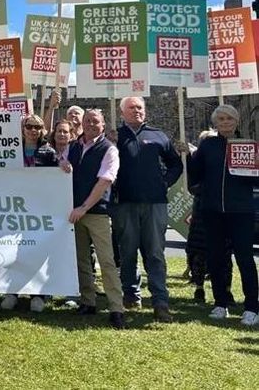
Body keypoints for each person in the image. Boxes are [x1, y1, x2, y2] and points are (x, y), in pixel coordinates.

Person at [185, 104, 259, 326]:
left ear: (236, 122)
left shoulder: (247, 145)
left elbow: (255, 180)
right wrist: (187, 157)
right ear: (215, 123)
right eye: (221, 119)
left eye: (229, 119)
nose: (225, 122)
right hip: (213, 210)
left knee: (244, 259)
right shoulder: (207, 145)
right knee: (216, 257)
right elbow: (196, 174)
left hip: (241, 211)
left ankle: (252, 307)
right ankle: (220, 303)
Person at [112, 96, 183, 323]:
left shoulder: (158, 135)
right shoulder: (115, 137)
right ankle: (131, 295)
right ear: (122, 112)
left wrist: (164, 182)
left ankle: (160, 302)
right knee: (128, 251)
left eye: (140, 107)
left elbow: (176, 164)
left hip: (155, 203)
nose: (137, 111)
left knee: (155, 253)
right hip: (125, 203)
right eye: (132, 108)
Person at [63, 108, 125, 329]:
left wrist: (84, 207)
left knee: (107, 261)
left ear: (103, 124)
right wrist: (61, 165)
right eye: (87, 120)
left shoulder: (109, 149)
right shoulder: (71, 147)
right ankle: (88, 302)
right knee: (81, 260)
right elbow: (61, 171)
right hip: (74, 214)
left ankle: (116, 308)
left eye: (95, 121)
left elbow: (104, 182)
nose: (90, 124)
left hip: (96, 212)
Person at [1, 114, 58, 313]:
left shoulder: (49, 152)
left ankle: (38, 295)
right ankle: (12, 292)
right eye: (29, 126)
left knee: (37, 251)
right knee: (13, 252)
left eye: (37, 127)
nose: (33, 130)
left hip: (39, 210)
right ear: (23, 129)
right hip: (14, 208)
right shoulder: (10, 150)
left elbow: (56, 180)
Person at [184, 129, 234, 305]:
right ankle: (199, 288)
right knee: (199, 252)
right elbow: (192, 185)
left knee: (225, 253)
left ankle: (226, 291)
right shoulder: (198, 162)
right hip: (203, 211)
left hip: (223, 210)